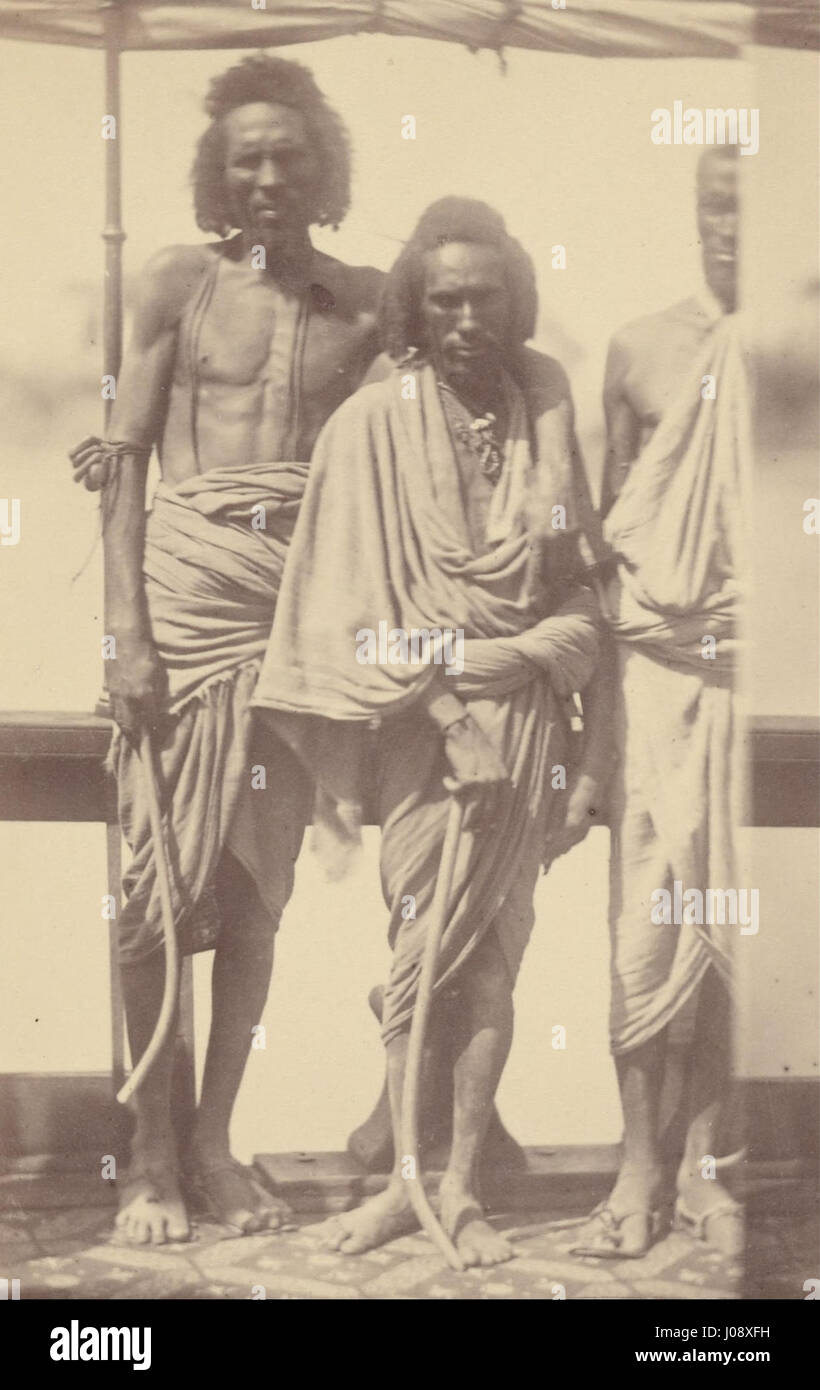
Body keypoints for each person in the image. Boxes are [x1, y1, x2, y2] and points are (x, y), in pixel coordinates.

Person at [252, 198, 607, 1267]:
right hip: (421, 725)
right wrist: (453, 716)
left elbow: (581, 599)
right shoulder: (369, 423)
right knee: (417, 957)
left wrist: (570, 738)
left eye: (483, 297)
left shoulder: (542, 408)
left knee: (493, 966)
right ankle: (402, 1180)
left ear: (514, 303)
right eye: (442, 299)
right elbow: (350, 609)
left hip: (531, 725)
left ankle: (458, 1186)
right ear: (414, 303)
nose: (463, 319)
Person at [69, 55, 383, 1245]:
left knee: (255, 895)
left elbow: (432, 429)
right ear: (217, 172)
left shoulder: (365, 301)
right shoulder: (174, 286)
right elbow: (127, 461)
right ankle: (150, 1160)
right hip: (185, 606)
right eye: (244, 157)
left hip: (298, 621)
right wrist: (125, 634)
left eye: (287, 154)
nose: (265, 176)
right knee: (152, 894)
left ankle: (214, 1139)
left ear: (322, 166)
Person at [571, 147, 746, 1259]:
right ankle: (640, 1165)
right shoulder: (640, 348)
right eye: (710, 206)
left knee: (733, 932)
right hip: (653, 676)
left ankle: (712, 1169)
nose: (726, 229)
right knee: (644, 934)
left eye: (749, 210)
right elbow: (604, 545)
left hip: (755, 682)